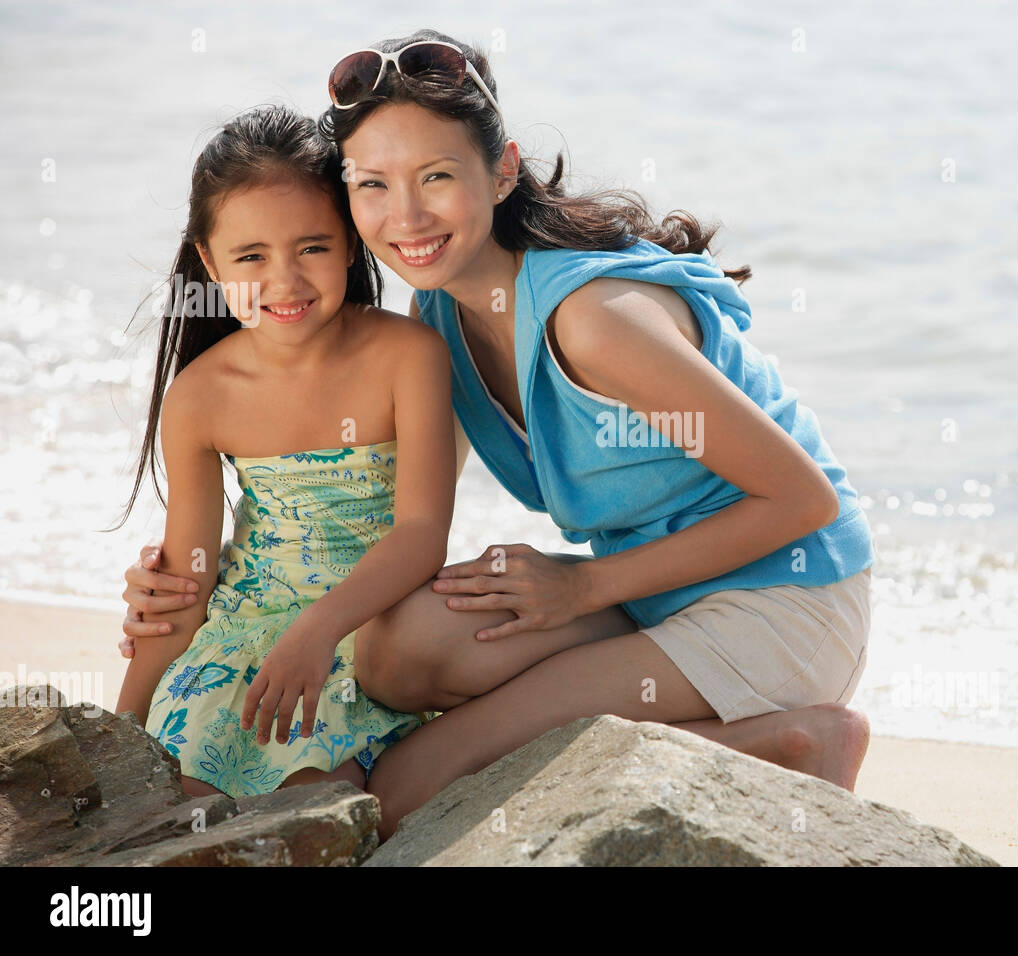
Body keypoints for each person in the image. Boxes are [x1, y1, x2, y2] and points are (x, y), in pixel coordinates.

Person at [120, 30, 876, 840]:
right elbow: (381, 500)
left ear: (503, 170)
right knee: (399, 653)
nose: (405, 216)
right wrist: (177, 588)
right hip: (652, 590)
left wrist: (580, 589)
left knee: (406, 793)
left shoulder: (592, 321)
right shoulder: (441, 311)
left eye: (437, 177)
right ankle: (633, 711)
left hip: (782, 598)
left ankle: (791, 738)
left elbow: (803, 499)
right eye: (373, 185)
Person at [112, 104, 457, 797]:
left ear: (353, 242)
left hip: (375, 624)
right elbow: (189, 580)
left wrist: (318, 629)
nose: (285, 281)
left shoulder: (408, 355)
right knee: (187, 801)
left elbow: (422, 534)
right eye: (250, 257)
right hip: (241, 636)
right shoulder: (202, 395)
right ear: (208, 262)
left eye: (312, 247)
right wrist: (118, 731)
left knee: (317, 800)